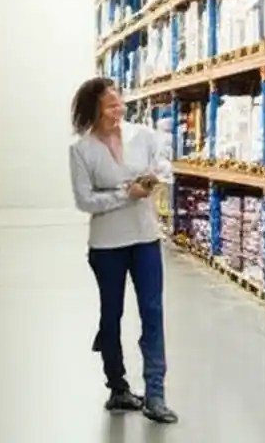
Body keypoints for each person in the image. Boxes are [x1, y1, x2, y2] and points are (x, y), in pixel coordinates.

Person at [68, 77, 178, 424]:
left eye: (120, 103)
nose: (119, 110)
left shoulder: (142, 136)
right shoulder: (81, 151)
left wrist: (155, 176)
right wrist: (123, 195)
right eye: (111, 106)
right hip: (107, 246)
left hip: (145, 237)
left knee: (152, 312)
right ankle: (118, 388)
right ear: (94, 111)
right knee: (111, 316)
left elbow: (164, 166)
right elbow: (85, 201)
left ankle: (156, 394)